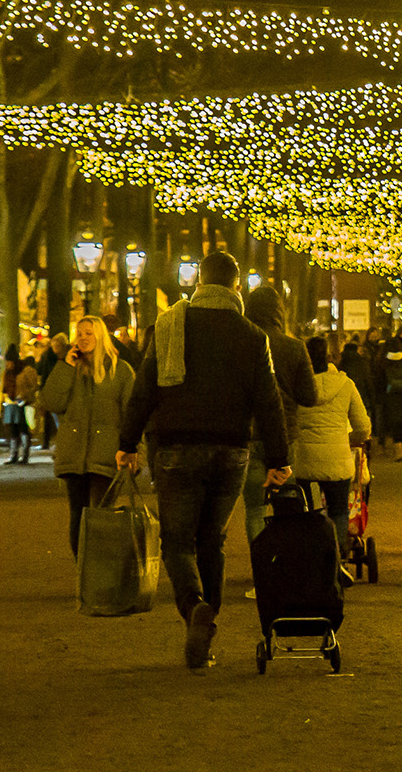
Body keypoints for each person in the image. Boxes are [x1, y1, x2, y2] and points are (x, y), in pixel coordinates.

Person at [116, 250, 290, 670]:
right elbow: (268, 402)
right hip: (232, 451)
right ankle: (206, 626)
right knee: (212, 539)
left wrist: (127, 441)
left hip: (176, 448)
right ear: (235, 288)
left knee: (177, 541)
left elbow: (145, 390)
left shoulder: (171, 326)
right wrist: (279, 458)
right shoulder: (252, 336)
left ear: (198, 283)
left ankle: (194, 607)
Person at [42, 315, 135, 554]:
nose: (83, 338)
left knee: (102, 516)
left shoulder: (121, 371)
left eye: (88, 333)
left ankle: (103, 571)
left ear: (100, 336)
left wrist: (134, 450)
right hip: (74, 453)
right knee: (78, 515)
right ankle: (84, 573)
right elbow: (51, 402)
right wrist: (65, 366)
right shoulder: (70, 368)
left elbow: (131, 414)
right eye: (79, 333)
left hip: (107, 454)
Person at [241, 285, 320, 544]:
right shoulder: (294, 347)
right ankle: (287, 563)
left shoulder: (243, 344)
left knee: (254, 508)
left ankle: (262, 571)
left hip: (249, 434)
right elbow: (310, 396)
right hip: (286, 435)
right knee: (287, 504)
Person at [291, 334, 370, 571]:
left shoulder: (298, 387)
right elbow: (363, 427)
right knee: (338, 508)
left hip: (304, 459)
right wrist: (349, 440)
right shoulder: (345, 385)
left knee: (305, 510)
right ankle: (336, 558)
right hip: (337, 458)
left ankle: (309, 555)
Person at [378, 333, 402, 460]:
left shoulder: (383, 359)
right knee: (401, 420)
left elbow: (379, 378)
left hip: (389, 394)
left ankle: (388, 448)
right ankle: (399, 449)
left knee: (389, 420)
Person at [0, 356, 30, 464]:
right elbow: (2, 390)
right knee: (12, 430)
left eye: (10, 362)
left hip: (21, 404)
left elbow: (30, 387)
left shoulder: (23, 374)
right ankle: (13, 455)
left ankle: (24, 455)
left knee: (23, 429)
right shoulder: (6, 374)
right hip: (10, 404)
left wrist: (24, 396)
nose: (8, 364)